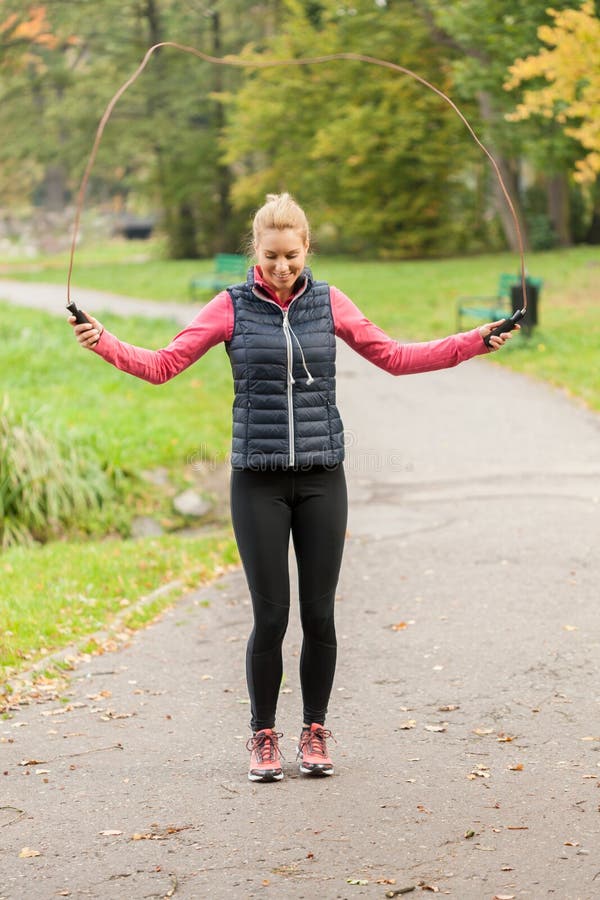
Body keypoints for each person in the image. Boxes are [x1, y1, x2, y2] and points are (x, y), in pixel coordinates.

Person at [69, 192, 515, 783]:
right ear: (257, 251)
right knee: (272, 617)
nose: (283, 268)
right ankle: (262, 735)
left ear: (307, 250)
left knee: (321, 615)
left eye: (293, 257)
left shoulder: (329, 303)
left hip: (322, 477)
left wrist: (473, 341)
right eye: (273, 256)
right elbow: (163, 364)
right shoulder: (229, 307)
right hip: (257, 480)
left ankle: (314, 730)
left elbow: (396, 356)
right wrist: (104, 342)